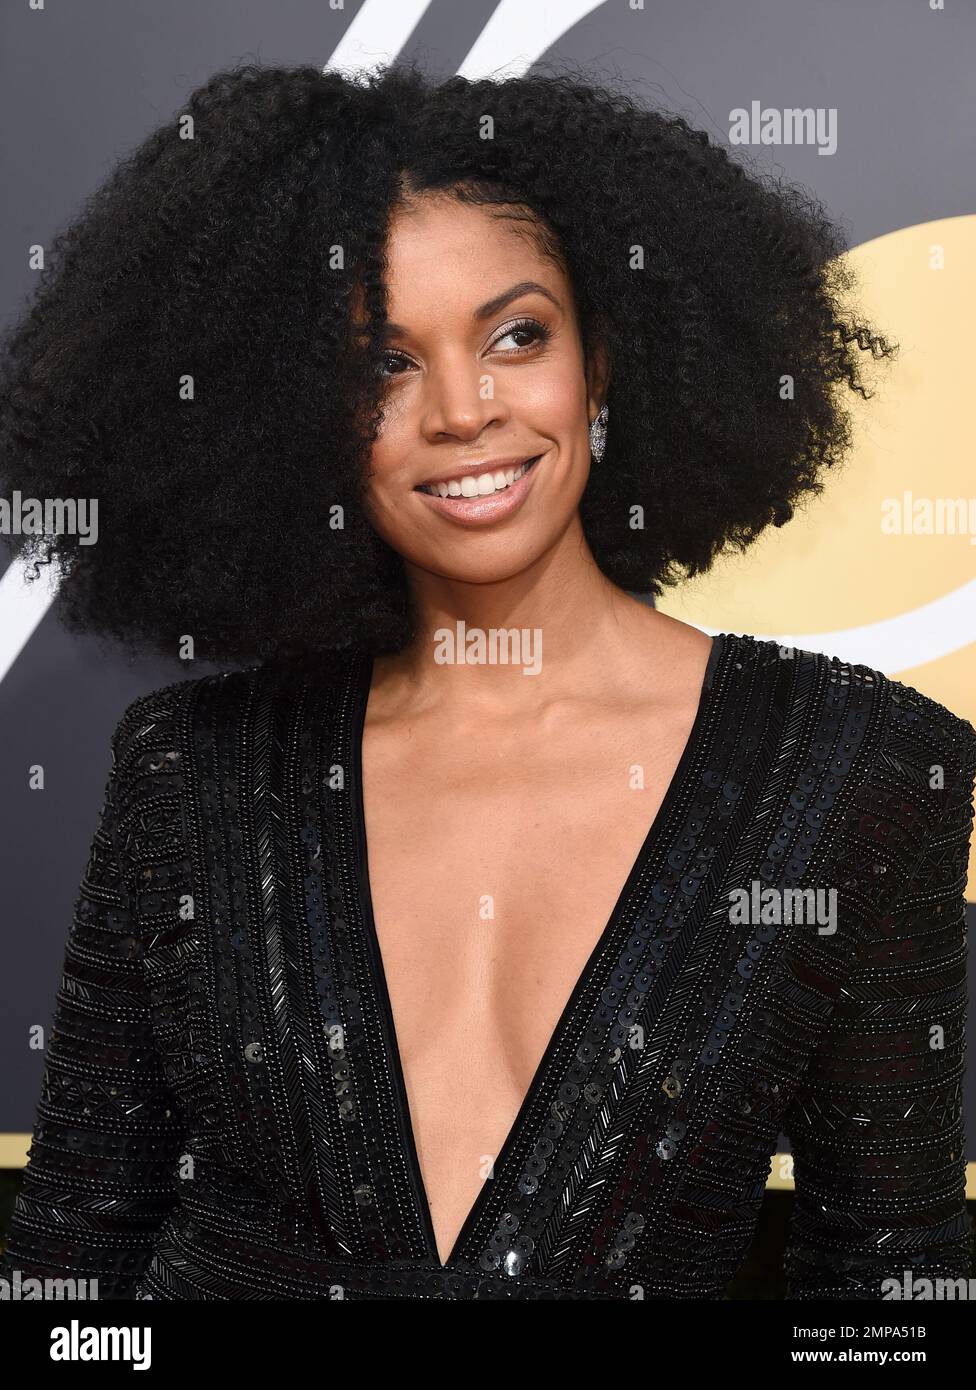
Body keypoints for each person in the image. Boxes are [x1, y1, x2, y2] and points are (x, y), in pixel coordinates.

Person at [0, 61, 973, 1301]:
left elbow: (888, 1290)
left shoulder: (858, 768)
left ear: (604, 357)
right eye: (381, 366)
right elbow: (66, 1283)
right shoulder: (191, 769)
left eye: (517, 334)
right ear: (293, 415)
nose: (462, 410)